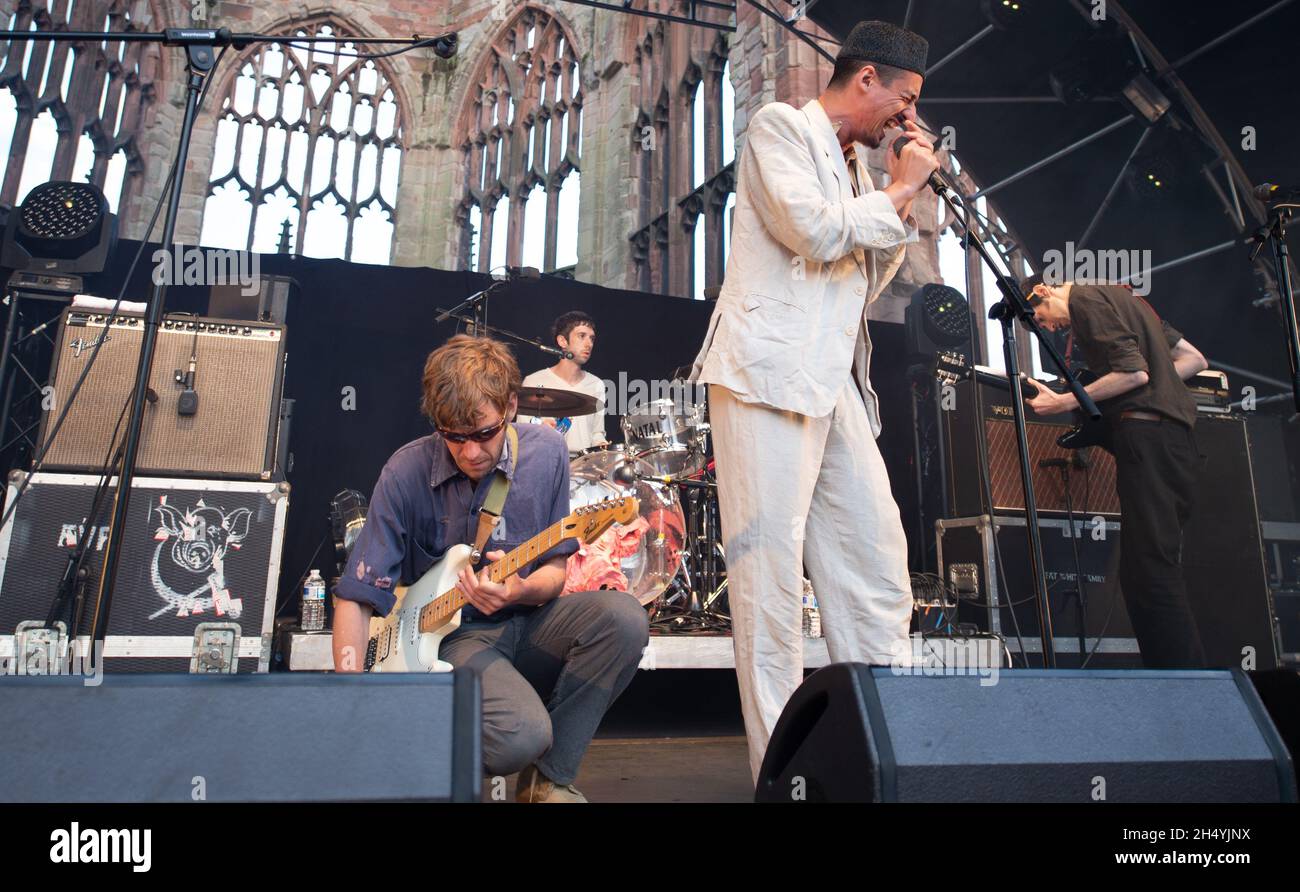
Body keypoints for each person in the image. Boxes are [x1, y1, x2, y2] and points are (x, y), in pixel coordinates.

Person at [688, 19, 938, 780]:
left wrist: (896, 195)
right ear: (865, 79)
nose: (906, 119)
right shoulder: (778, 129)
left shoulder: (862, 172)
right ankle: (782, 776)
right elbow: (810, 232)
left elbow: (870, 278)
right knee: (768, 585)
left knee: (876, 557)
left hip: (833, 384)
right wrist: (898, 189)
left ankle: (881, 753)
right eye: (902, 103)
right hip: (765, 376)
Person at [331, 335, 648, 801]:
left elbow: (556, 573)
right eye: (453, 436)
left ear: (512, 406)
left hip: (530, 620)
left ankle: (548, 780)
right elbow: (356, 597)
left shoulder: (547, 453)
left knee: (623, 619)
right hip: (454, 638)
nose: (470, 452)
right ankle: (405, 757)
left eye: (483, 433)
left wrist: (519, 590)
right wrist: (350, 700)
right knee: (520, 736)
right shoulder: (405, 471)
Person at [1021, 275, 1210, 668]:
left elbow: (1133, 373)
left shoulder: (1086, 300)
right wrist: (1153, 392)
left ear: (1043, 291)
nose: (1048, 327)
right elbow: (1193, 358)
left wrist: (1062, 403)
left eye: (1040, 318)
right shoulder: (1130, 301)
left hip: (1148, 438)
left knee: (1148, 573)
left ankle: (1183, 685)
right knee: (1156, 565)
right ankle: (1185, 679)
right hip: (1175, 443)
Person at [521, 311, 608, 454]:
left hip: (583, 468)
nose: (589, 344)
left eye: (592, 339)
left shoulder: (596, 384)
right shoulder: (534, 381)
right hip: (545, 463)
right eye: (582, 336)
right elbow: (522, 432)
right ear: (562, 341)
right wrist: (540, 429)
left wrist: (601, 444)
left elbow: (597, 433)